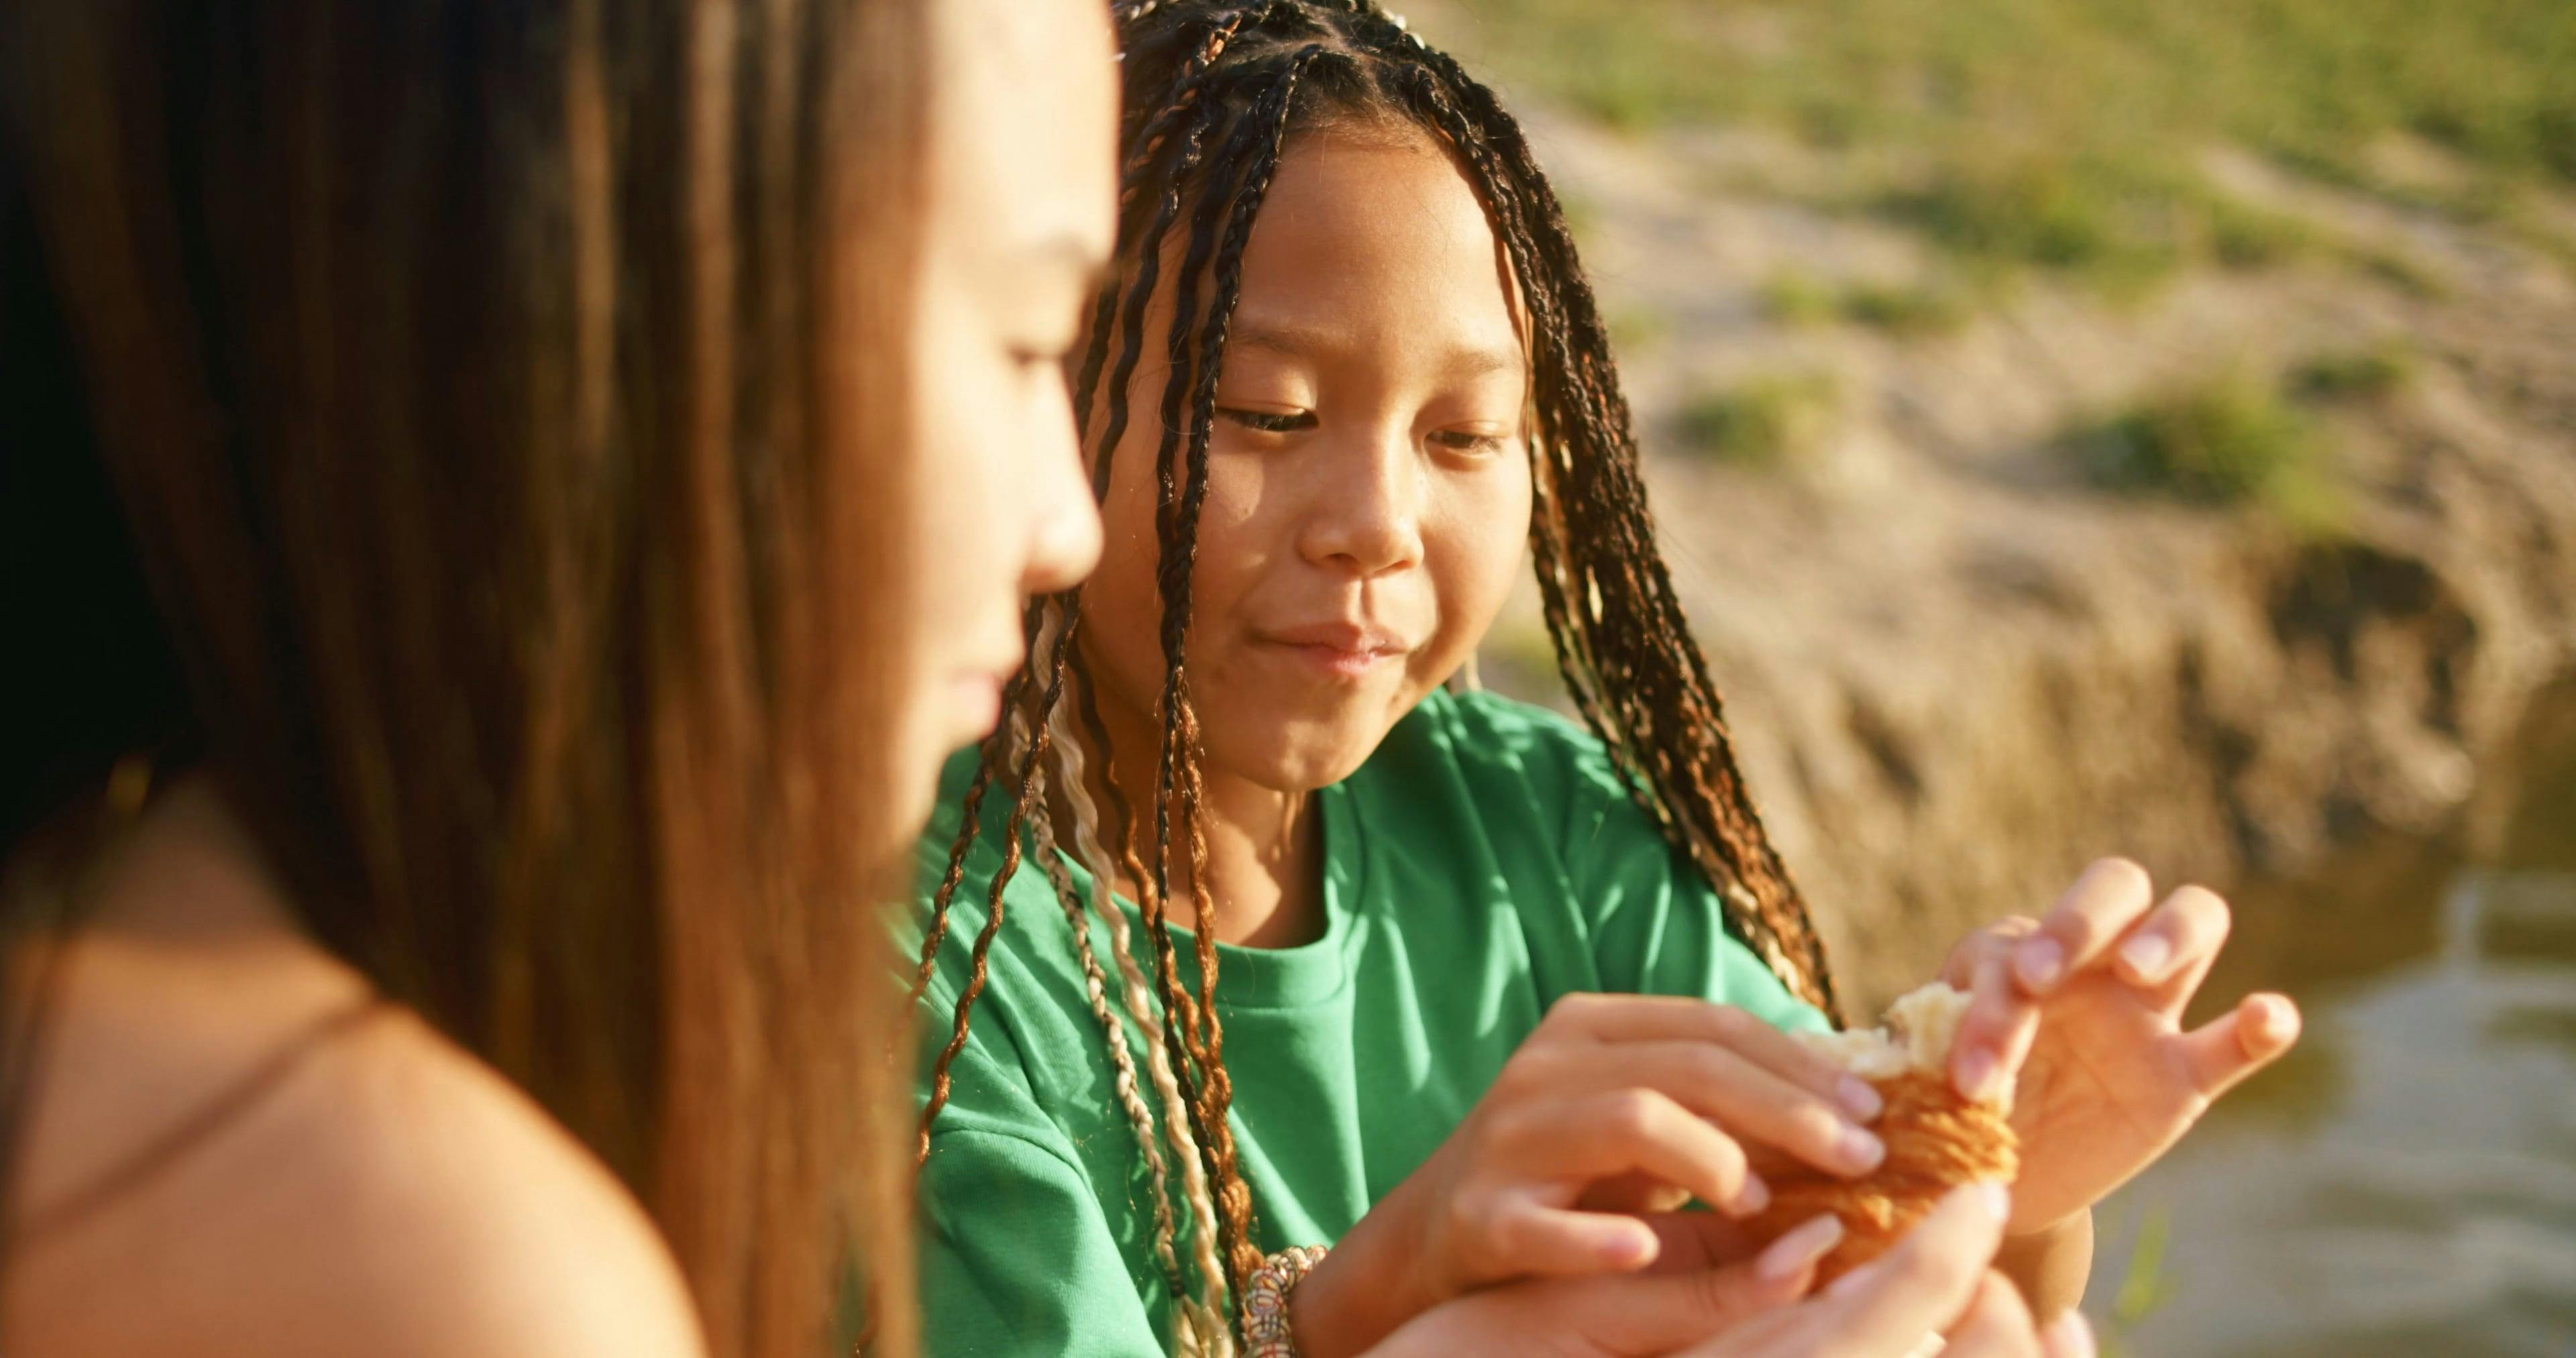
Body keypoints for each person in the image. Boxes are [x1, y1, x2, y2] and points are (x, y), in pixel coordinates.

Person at [905, 2, 2300, 1355]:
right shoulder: (924, 972)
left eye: (1464, 436)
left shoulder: (1545, 831)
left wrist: (2007, 1153)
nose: (1378, 518)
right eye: (1267, 410)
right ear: (1052, 383)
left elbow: (1889, 1265)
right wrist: (1369, 1295)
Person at [0, 0, 1109, 1351]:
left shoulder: (117, 937)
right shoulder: (424, 1267)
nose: (1070, 525)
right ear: (595, 293)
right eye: (1028, 338)